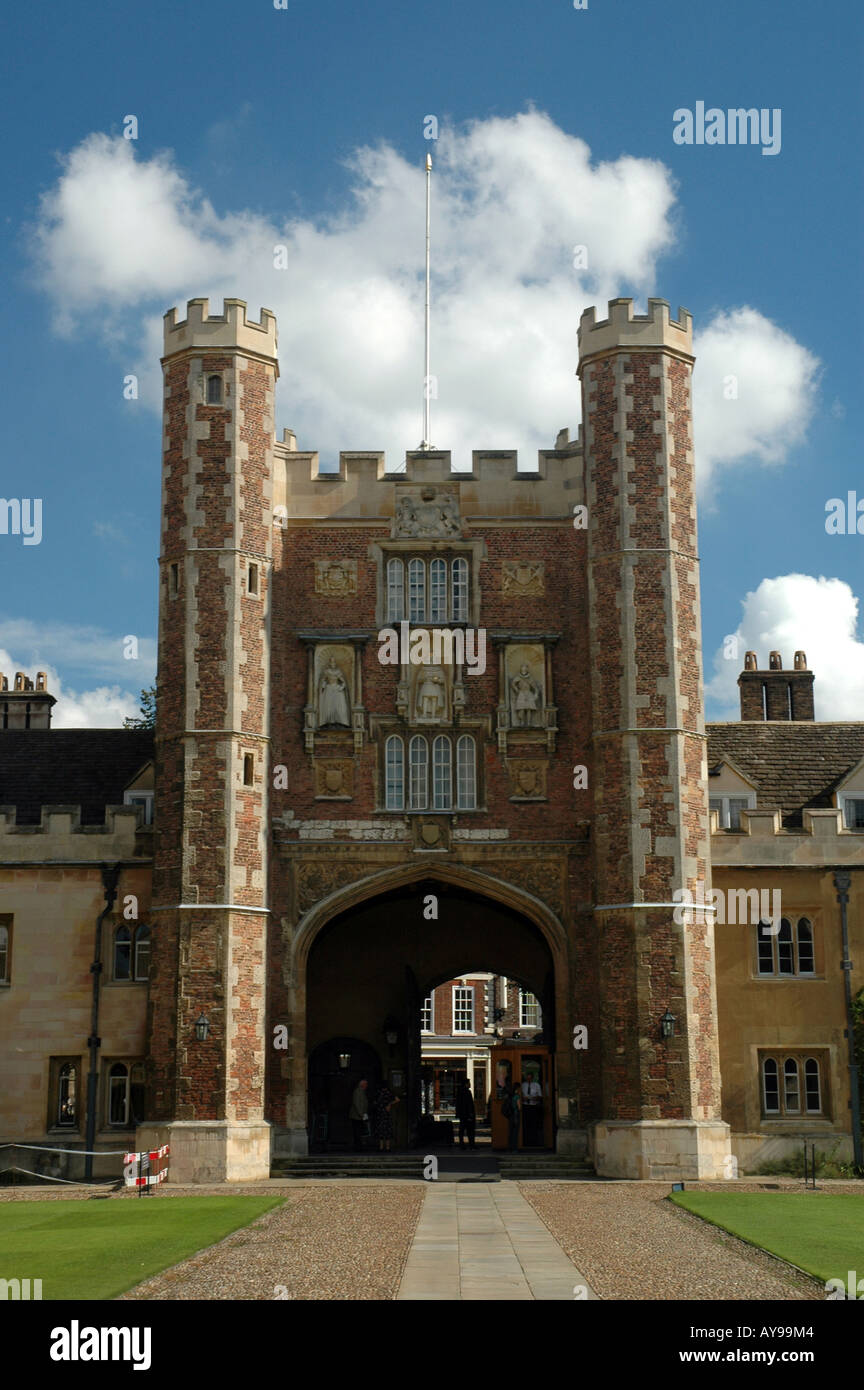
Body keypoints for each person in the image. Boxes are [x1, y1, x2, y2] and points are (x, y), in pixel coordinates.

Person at [372, 1081, 400, 1152]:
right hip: (386, 1114)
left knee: (381, 1130)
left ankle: (381, 1147)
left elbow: (374, 1102)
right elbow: (397, 1099)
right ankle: (387, 1147)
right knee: (387, 1130)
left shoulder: (379, 1093)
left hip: (380, 1113)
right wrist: (390, 1104)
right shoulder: (389, 1092)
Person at [521, 1071, 543, 1147]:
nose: (529, 1079)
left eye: (530, 1078)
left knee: (533, 1124)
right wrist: (523, 1098)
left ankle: (534, 1141)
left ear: (532, 1078)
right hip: (525, 1106)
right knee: (526, 1124)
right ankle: (525, 1141)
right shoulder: (523, 1085)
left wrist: (534, 1098)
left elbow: (540, 1096)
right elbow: (520, 1095)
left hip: (534, 1106)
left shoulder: (537, 1085)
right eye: (527, 1078)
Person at [348, 1077, 369, 1152]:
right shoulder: (358, 1091)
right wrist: (361, 1114)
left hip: (360, 1116)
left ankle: (359, 1146)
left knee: (359, 1132)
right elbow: (357, 1103)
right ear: (362, 1084)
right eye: (366, 1084)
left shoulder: (362, 1091)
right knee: (357, 1132)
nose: (367, 1085)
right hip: (357, 1116)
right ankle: (357, 1147)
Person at [455, 1079, 476, 1148]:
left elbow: (458, 1104)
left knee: (462, 1129)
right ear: (466, 1084)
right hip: (467, 1114)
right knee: (470, 1130)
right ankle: (471, 1144)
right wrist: (471, 1113)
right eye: (469, 1083)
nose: (470, 1084)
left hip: (462, 1114)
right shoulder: (467, 1092)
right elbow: (469, 1104)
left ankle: (461, 1143)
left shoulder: (459, 1092)